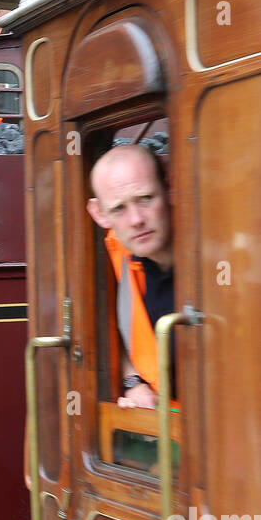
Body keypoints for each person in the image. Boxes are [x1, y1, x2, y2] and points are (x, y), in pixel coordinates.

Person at [86, 143, 174, 410]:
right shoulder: (119, 256)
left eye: (146, 198)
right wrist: (132, 381)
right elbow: (113, 329)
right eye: (119, 209)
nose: (136, 219)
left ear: (171, 190)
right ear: (100, 214)